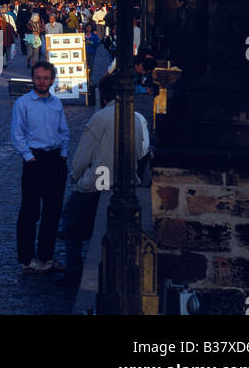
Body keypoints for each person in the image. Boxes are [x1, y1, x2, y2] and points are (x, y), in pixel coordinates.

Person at [56, 74, 150, 287]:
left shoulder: (101, 117)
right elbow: (142, 151)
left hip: (100, 178)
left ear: (104, 96)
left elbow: (83, 155)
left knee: (71, 223)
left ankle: (73, 270)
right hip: (125, 180)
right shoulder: (136, 118)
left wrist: (75, 177)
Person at [11, 60, 70, 273]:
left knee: (52, 212)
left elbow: (64, 131)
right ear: (32, 79)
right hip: (35, 161)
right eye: (38, 78)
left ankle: (46, 256)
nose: (41, 82)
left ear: (52, 80)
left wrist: (63, 155)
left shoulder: (56, 104)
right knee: (30, 211)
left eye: (45, 78)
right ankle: (26, 258)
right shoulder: (23, 103)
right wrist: (29, 157)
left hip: (55, 160)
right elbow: (17, 134)